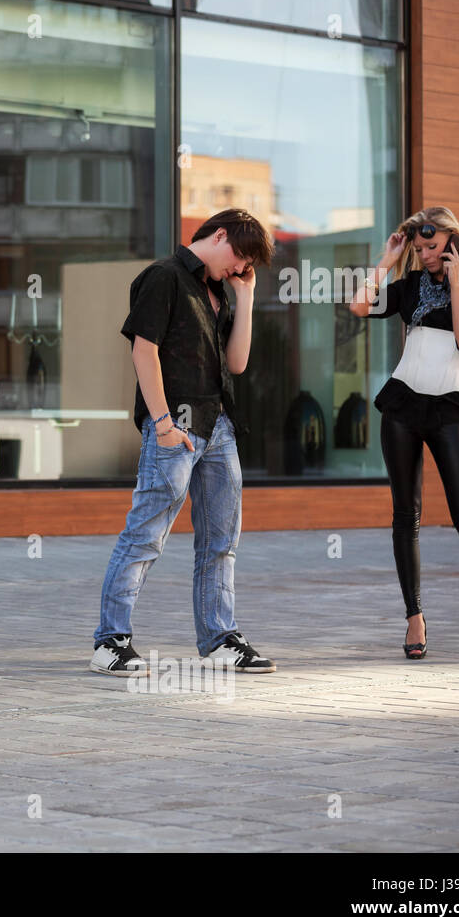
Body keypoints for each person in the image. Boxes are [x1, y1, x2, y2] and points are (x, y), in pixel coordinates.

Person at [90, 209, 276, 677]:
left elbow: (236, 363)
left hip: (219, 428)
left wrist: (246, 296)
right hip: (175, 428)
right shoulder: (164, 277)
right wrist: (164, 424)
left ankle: (219, 639)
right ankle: (110, 641)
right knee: (145, 535)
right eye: (241, 257)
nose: (240, 268)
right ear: (219, 235)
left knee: (220, 541)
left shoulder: (220, 291)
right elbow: (143, 350)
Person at [349, 206, 459, 663]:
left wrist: (457, 279)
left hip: (447, 407)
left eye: (430, 245)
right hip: (402, 405)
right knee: (407, 515)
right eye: (419, 248)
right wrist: (385, 263)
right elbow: (359, 306)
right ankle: (414, 618)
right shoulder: (408, 289)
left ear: (451, 240)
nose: (423, 254)